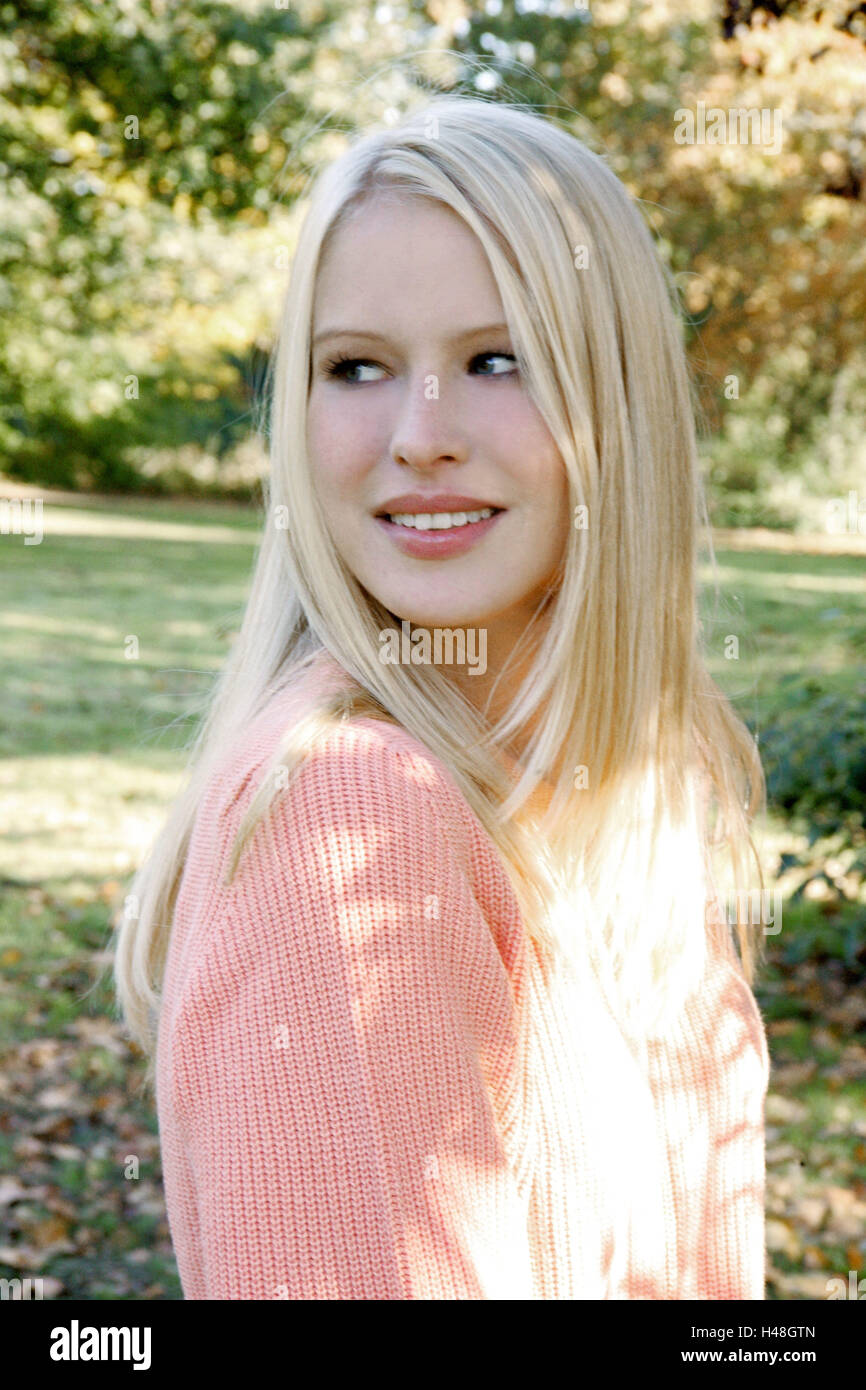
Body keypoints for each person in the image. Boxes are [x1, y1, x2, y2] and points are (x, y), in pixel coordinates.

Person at [114, 94, 771, 1300]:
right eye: (355, 366)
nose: (420, 434)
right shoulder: (349, 818)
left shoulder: (638, 800)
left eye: (495, 359)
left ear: (616, 407)